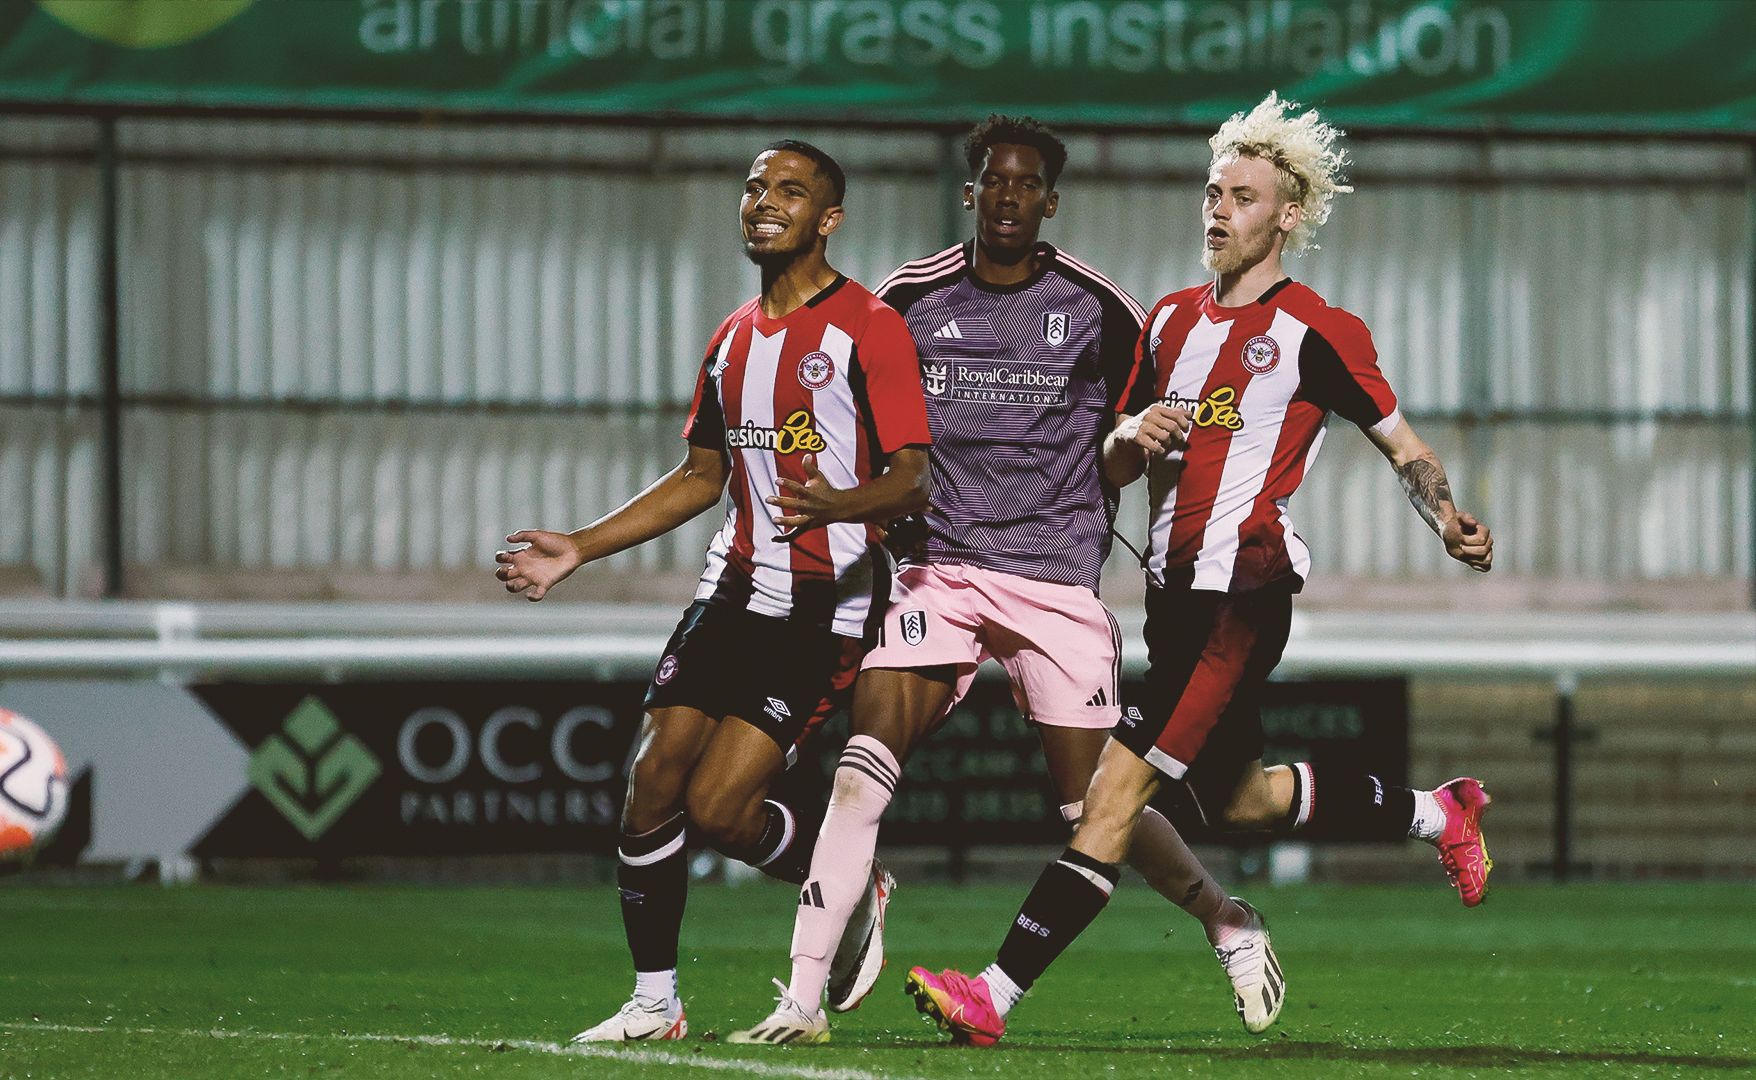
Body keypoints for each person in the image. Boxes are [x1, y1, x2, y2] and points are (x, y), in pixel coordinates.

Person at [904, 93, 1498, 1048]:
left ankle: (993, 995)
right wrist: (1134, 433)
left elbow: (1400, 443)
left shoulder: (1317, 331)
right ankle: (1441, 812)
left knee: (1114, 791)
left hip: (1246, 596)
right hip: (1174, 602)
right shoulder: (1170, 323)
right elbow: (1112, 461)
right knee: (1241, 799)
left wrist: (1447, 519)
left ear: (1287, 215)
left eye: (1243, 197)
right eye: (1212, 193)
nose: (1217, 212)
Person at [728, 116, 1279, 1047]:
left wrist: (1127, 456)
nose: (1009, 196)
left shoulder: (1101, 308)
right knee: (863, 771)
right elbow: (873, 421)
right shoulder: (910, 297)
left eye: (1027, 185)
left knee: (1092, 806)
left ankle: (1226, 917)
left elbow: (1125, 451)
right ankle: (803, 997)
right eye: (994, 181)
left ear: (1050, 201)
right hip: (939, 573)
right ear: (973, 189)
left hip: (1057, 582)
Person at [495, 140, 933, 1043]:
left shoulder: (869, 328)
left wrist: (841, 503)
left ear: (829, 218)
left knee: (720, 812)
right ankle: (656, 1002)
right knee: (650, 780)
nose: (762, 202)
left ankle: (851, 884)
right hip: (730, 593)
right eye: (753, 187)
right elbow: (700, 479)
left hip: (825, 610)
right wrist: (580, 546)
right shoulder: (733, 338)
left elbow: (914, 479)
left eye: (789, 190)